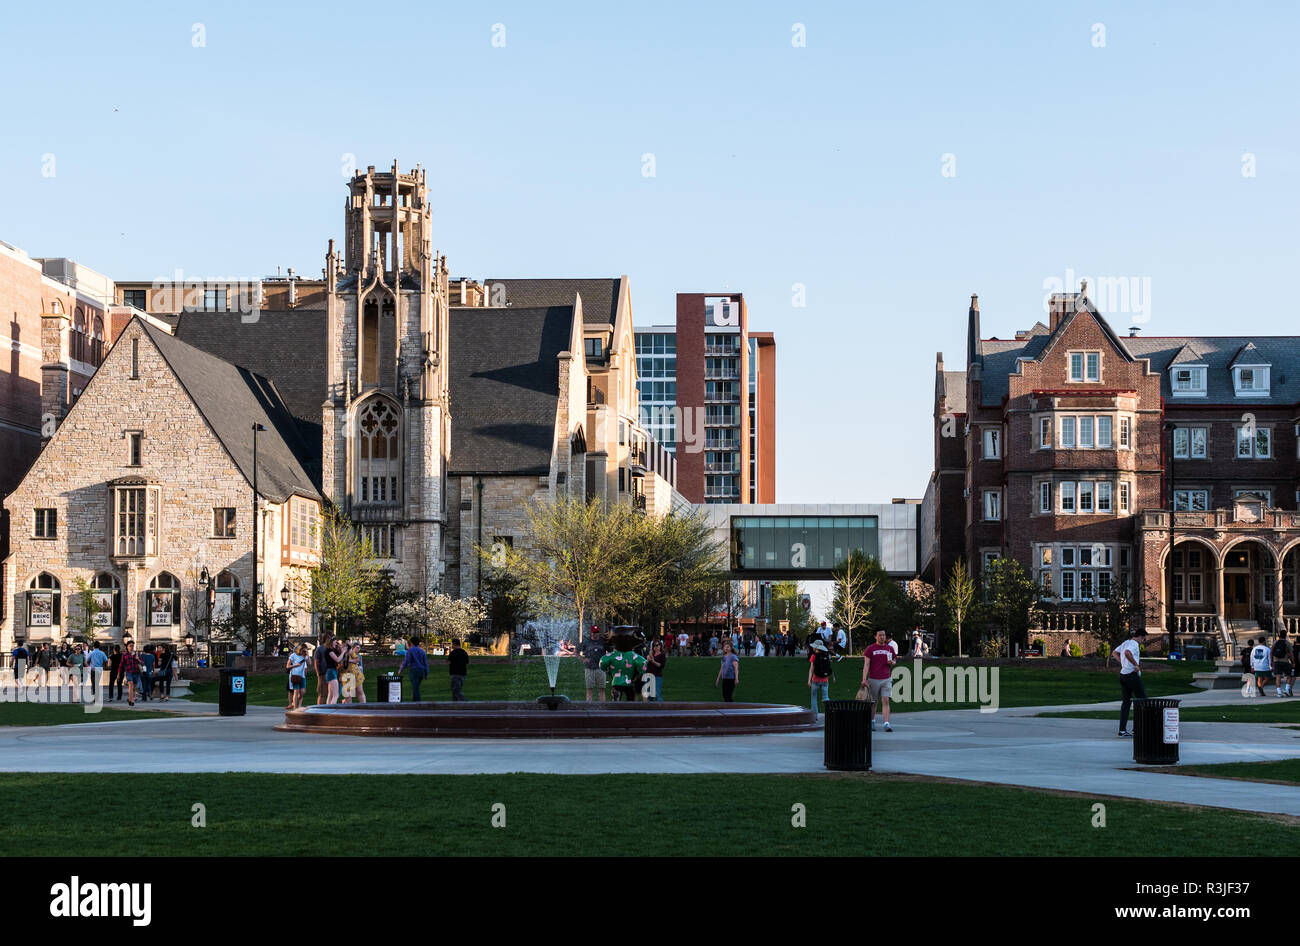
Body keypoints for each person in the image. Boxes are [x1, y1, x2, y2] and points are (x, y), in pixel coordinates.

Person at [1112, 628, 1148, 736]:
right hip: (1131, 676)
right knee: (1143, 701)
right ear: (1141, 637)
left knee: (1126, 703)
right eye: (1144, 639)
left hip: (1123, 675)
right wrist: (1136, 665)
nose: (1143, 642)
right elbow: (1127, 653)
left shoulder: (1126, 642)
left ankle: (1122, 730)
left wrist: (1123, 663)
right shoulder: (1134, 644)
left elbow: (1114, 653)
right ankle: (1137, 728)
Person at [863, 629, 896, 732]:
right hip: (873, 678)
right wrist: (864, 679)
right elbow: (866, 664)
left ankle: (886, 723)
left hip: (886, 678)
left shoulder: (889, 648)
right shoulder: (870, 649)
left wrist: (892, 662)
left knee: (885, 700)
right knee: (874, 702)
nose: (882, 637)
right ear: (875, 637)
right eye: (880, 635)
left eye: (884, 635)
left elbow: (894, 660)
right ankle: (872, 721)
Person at [580, 625, 608, 701]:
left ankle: (603, 708)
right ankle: (589, 707)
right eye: (593, 632)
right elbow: (576, 651)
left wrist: (607, 662)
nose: (595, 634)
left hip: (601, 668)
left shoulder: (603, 641)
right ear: (590, 632)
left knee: (601, 689)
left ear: (598, 632)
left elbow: (610, 652)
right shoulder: (586, 641)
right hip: (589, 668)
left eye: (596, 632)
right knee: (589, 689)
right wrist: (583, 659)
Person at [398, 636, 428, 702]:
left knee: (415, 687)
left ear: (411, 643)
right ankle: (415, 701)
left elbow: (406, 661)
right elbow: (425, 663)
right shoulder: (422, 651)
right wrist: (426, 673)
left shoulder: (410, 651)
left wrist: (401, 669)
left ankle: (418, 702)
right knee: (416, 687)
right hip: (421, 671)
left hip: (414, 670)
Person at [808, 639, 832, 714]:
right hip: (825, 680)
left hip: (815, 680)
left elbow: (811, 669)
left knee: (814, 697)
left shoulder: (813, 656)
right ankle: (829, 713)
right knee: (826, 698)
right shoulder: (827, 655)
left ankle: (815, 715)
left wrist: (809, 680)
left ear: (815, 648)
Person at [286, 644, 309, 709]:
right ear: (300, 649)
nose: (304, 651)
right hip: (295, 675)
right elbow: (287, 666)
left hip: (302, 676)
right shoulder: (293, 655)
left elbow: (309, 663)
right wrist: (296, 665)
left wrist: (307, 655)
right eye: (303, 650)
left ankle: (294, 703)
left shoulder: (304, 656)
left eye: (305, 650)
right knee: (296, 692)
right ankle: (295, 707)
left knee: (303, 692)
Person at [120, 641, 142, 707]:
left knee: (134, 687)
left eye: (132, 645)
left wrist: (138, 659)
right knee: (131, 684)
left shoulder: (137, 654)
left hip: (136, 672)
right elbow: (121, 664)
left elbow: (142, 663)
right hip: (129, 672)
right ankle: (132, 700)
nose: (132, 647)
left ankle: (129, 699)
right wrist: (119, 673)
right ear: (127, 647)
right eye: (130, 646)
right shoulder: (125, 655)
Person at [1270, 632, 1292, 697]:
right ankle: (1287, 689)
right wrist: (1293, 662)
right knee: (1289, 676)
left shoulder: (1275, 642)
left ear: (1279, 636)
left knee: (1278, 677)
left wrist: (1271, 661)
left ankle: (1279, 692)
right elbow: (1291, 654)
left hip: (1276, 661)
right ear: (1285, 636)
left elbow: (1271, 653)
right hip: (1285, 661)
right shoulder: (1287, 643)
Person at [313, 634, 332, 704]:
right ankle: (319, 708)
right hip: (322, 673)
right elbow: (316, 662)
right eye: (330, 638)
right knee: (322, 693)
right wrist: (318, 673)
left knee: (331, 693)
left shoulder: (332, 648)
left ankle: (329, 708)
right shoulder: (319, 649)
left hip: (331, 672)